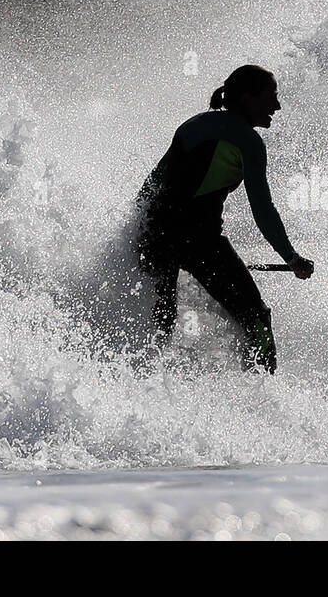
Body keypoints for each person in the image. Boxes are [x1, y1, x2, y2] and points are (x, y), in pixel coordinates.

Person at [133, 65, 313, 372]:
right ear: (246, 98)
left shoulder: (193, 124)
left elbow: (149, 188)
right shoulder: (247, 141)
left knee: (161, 321)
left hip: (153, 232)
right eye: (271, 97)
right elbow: (263, 210)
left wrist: (143, 237)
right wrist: (291, 257)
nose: (277, 106)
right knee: (256, 318)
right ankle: (260, 398)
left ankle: (134, 383)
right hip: (199, 242)